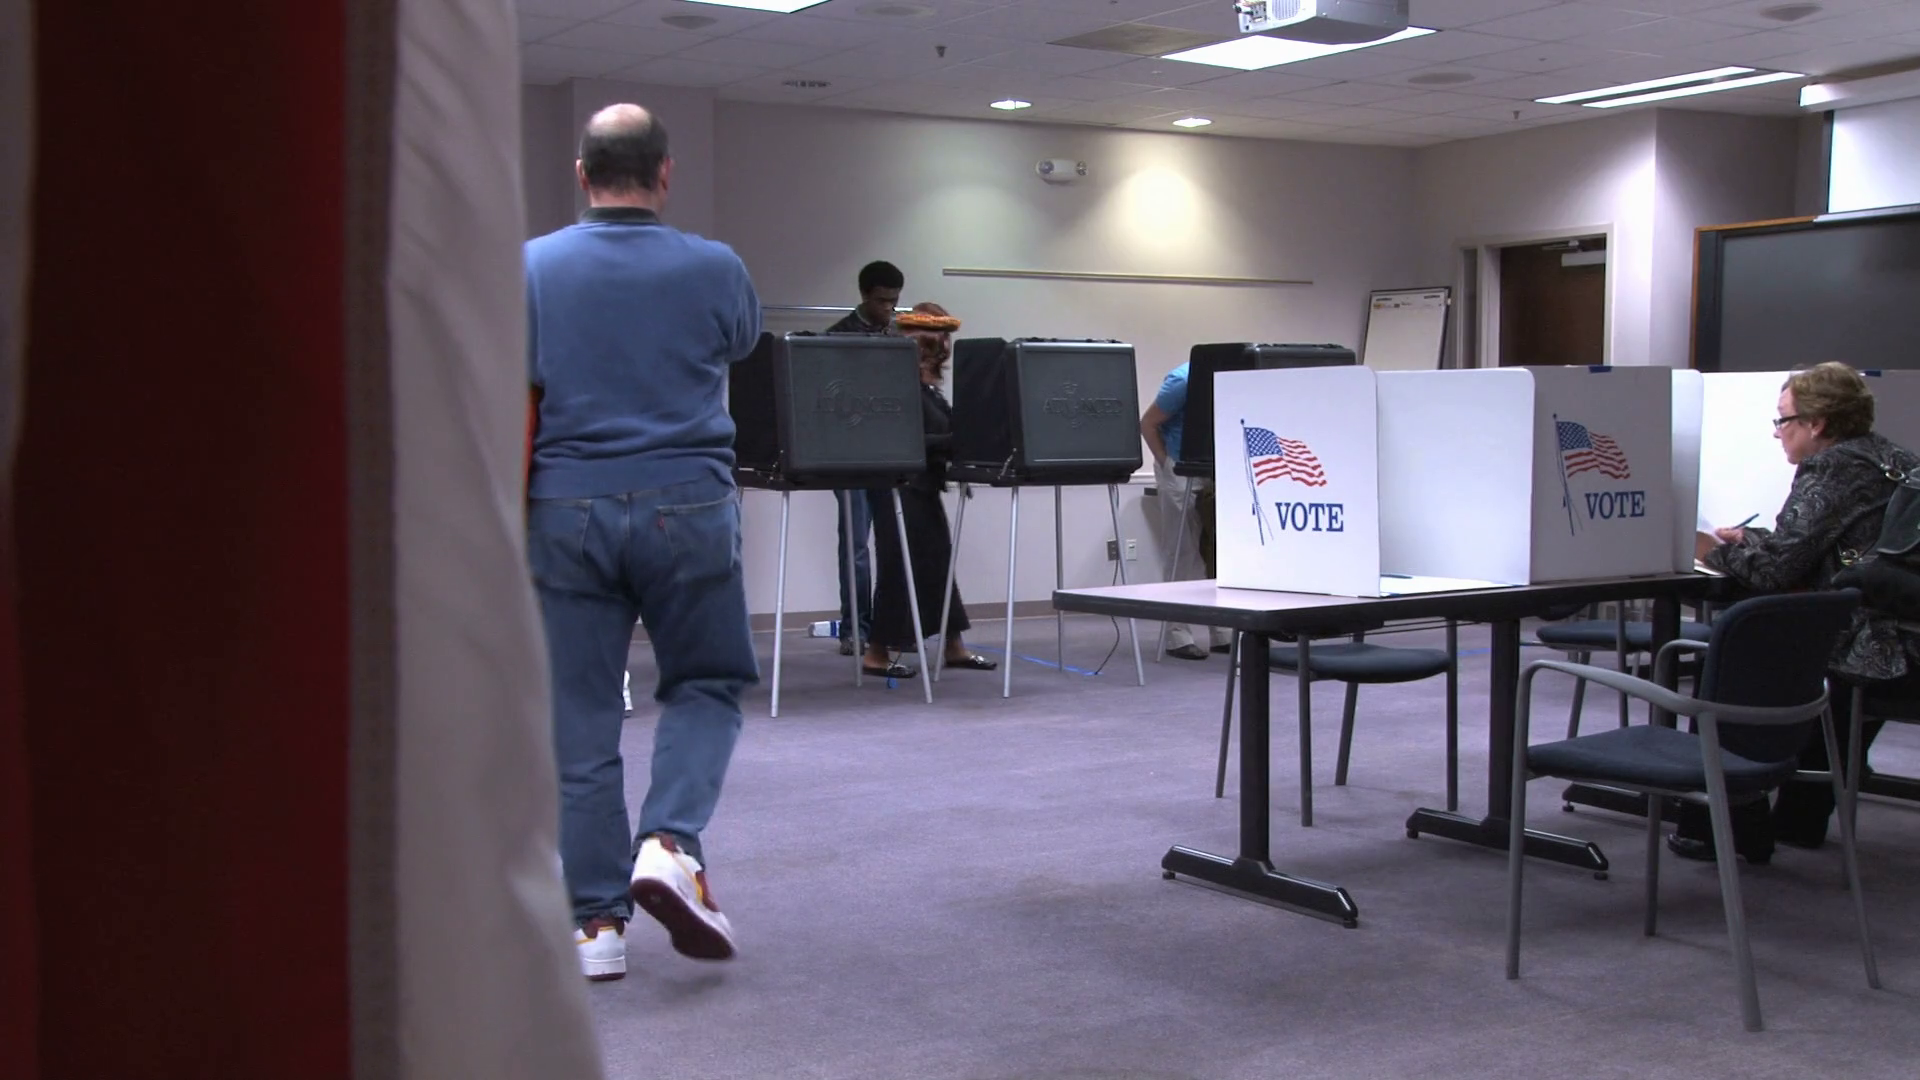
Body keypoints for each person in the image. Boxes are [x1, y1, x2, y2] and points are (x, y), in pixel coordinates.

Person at [526, 103, 759, 981]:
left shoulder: (530, 268)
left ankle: (596, 929)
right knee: (704, 684)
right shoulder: (715, 266)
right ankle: (669, 842)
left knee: (580, 716)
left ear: (581, 175)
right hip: (688, 506)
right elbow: (737, 343)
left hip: (564, 509)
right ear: (665, 175)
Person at [1682, 362, 1920, 864]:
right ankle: (1799, 819)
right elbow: (1839, 549)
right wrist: (1753, 540)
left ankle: (1719, 825)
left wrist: (1708, 549)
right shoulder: (1893, 459)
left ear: (1817, 424)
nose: (1777, 433)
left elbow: (1776, 572)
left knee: (1727, 655)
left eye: (1783, 420)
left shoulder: (1833, 467)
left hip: (1867, 647)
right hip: (1901, 638)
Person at [862, 303, 997, 679]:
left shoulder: (928, 390)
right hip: (899, 489)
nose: (937, 351)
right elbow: (907, 440)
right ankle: (875, 654)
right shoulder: (896, 389)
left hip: (924, 488)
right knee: (898, 569)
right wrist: (955, 440)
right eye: (931, 344)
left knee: (938, 565)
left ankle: (953, 646)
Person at [823, 260, 905, 655]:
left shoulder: (898, 334)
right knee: (855, 544)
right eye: (881, 301)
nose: (887, 309)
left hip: (890, 453)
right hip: (850, 455)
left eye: (893, 302)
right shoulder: (837, 337)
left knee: (894, 544)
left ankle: (889, 629)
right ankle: (855, 628)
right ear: (863, 296)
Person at [1140, 361, 1232, 660]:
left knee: (1217, 550)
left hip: (1216, 467)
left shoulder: (1240, 376)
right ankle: (1177, 634)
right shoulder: (1184, 380)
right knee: (1183, 550)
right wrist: (1167, 464)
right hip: (1181, 468)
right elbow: (1148, 423)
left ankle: (1222, 629)